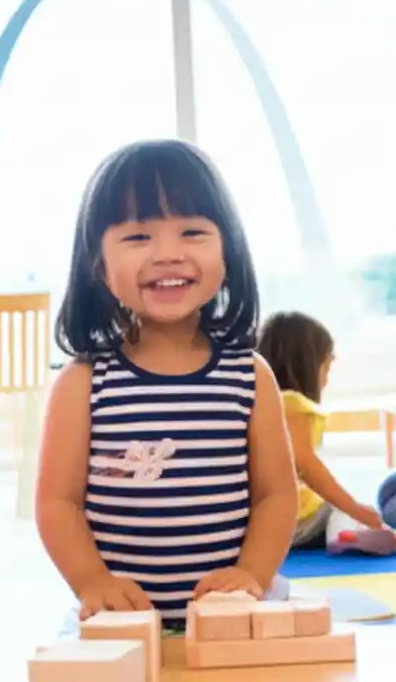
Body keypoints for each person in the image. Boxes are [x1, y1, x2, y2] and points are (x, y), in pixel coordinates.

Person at [35, 139, 297, 626]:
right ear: (98, 264)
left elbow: (276, 495)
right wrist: (92, 582)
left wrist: (251, 574)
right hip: (120, 622)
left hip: (232, 619)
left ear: (229, 251)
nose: (168, 255)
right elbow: (57, 503)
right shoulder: (85, 382)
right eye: (138, 237)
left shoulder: (249, 374)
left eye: (193, 232)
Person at [256, 311, 387, 550]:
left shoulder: (257, 402)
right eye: (328, 364)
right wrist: (355, 508)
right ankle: (346, 535)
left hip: (257, 521)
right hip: (291, 521)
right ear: (310, 364)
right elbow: (306, 464)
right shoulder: (293, 404)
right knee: (341, 512)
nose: (327, 375)